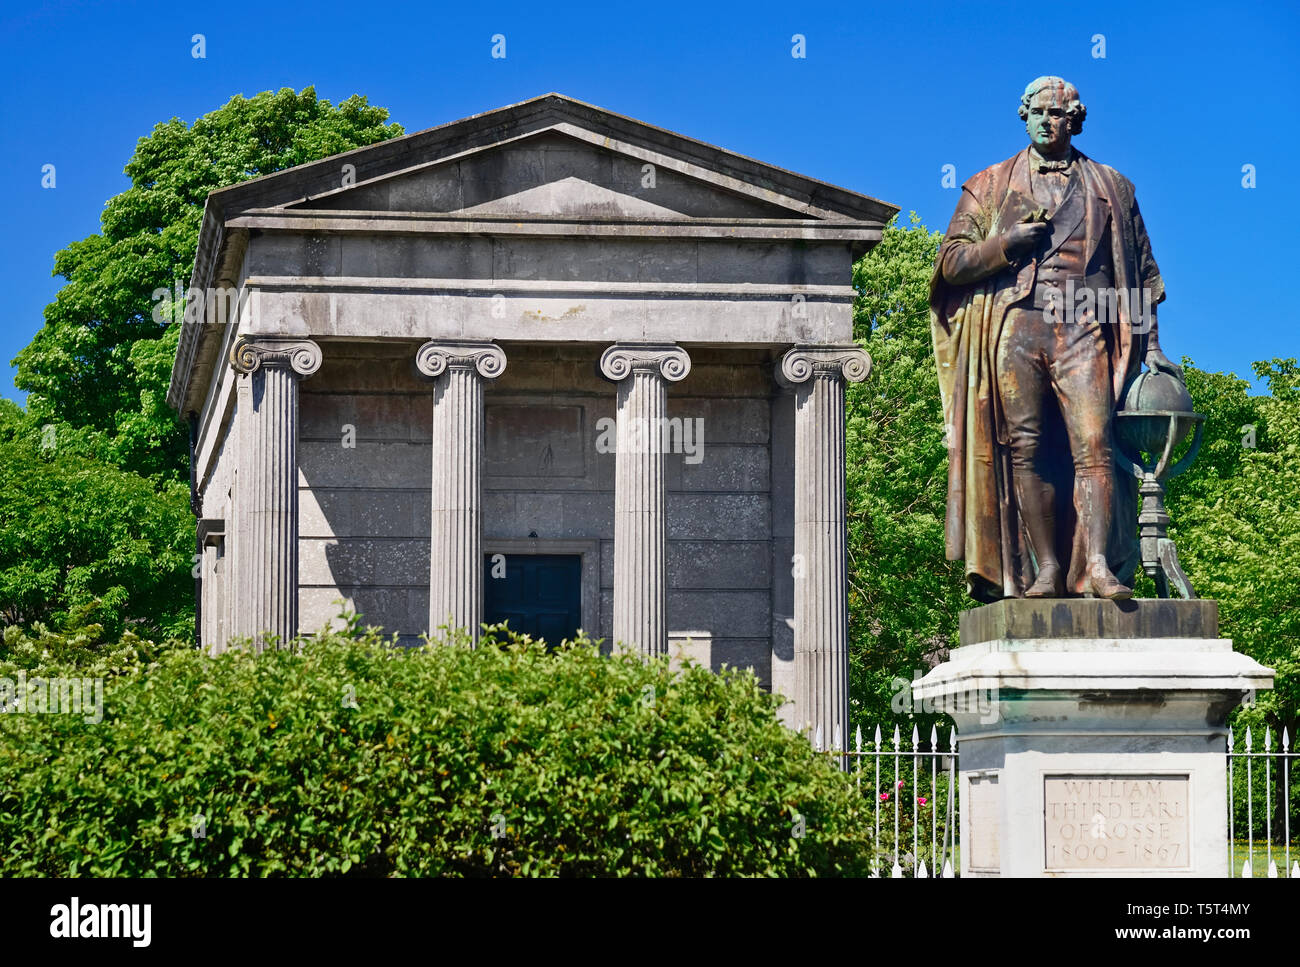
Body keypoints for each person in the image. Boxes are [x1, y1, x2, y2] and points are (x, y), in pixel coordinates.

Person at [929, 76, 1182, 602]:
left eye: (1057, 113)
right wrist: (1005, 244)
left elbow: (1141, 277)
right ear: (1023, 116)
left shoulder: (1113, 186)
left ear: (1076, 119)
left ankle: (1094, 566)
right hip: (1016, 326)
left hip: (1084, 324)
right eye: (1037, 112)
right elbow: (951, 263)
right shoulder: (989, 184)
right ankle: (1045, 569)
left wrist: (1152, 347)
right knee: (1026, 450)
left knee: (1094, 443)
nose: (1046, 120)